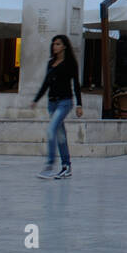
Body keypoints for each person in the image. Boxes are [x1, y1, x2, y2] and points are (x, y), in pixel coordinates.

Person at [31, 35, 83, 179]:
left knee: (51, 129)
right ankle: (66, 167)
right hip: (52, 102)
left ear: (64, 46)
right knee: (60, 136)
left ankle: (49, 164)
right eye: (54, 44)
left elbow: (76, 84)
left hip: (65, 101)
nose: (55, 46)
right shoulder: (51, 63)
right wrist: (36, 99)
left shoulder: (70, 63)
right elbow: (46, 83)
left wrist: (79, 104)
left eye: (58, 44)